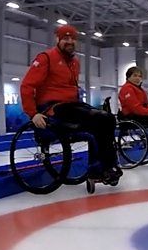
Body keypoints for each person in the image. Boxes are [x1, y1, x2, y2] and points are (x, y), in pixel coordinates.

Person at [21, 24, 119, 182]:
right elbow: (27, 86)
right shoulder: (45, 58)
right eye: (66, 38)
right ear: (58, 39)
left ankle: (107, 166)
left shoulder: (74, 62)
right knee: (98, 118)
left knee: (107, 118)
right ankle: (98, 167)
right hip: (52, 107)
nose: (70, 41)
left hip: (71, 105)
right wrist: (33, 114)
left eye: (73, 38)